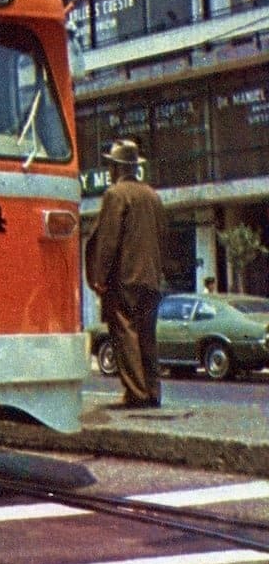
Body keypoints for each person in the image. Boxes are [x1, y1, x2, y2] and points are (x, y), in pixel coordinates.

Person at [86, 139, 168, 409]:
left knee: (125, 333)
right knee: (147, 335)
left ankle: (137, 393)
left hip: (125, 279)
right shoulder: (152, 196)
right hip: (151, 278)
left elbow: (109, 240)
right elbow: (163, 238)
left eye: (110, 164)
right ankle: (153, 391)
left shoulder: (116, 194)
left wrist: (99, 276)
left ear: (115, 167)